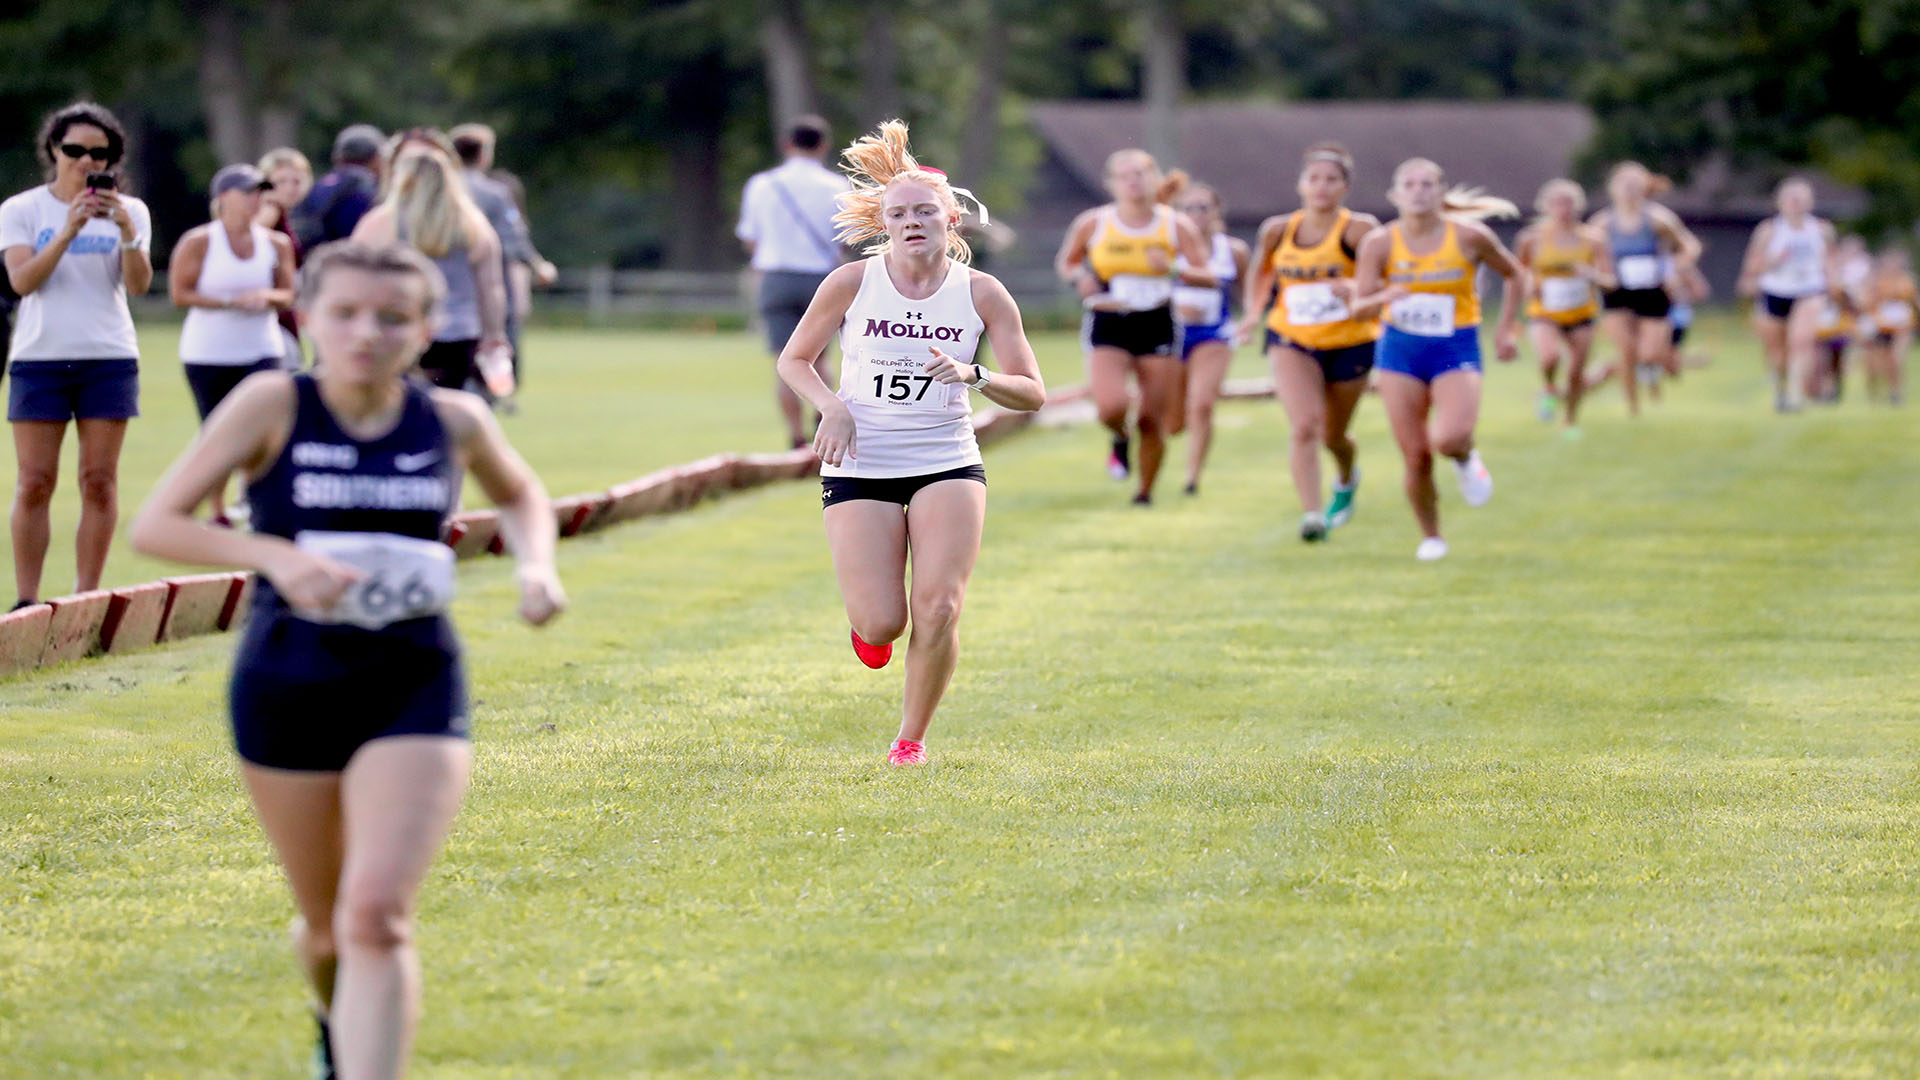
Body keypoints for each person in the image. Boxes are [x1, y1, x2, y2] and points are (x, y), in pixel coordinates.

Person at [129, 240, 566, 1080]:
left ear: (426, 328)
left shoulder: (451, 418)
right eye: (347, 314)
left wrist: (535, 566)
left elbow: (519, 493)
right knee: (327, 926)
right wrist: (277, 558)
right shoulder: (271, 404)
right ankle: (339, 1029)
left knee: (377, 916)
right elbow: (158, 525)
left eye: (393, 318)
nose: (368, 333)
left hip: (412, 678)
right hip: (288, 678)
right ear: (307, 319)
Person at [776, 120, 1045, 767]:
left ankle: (910, 739)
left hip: (946, 459)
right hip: (862, 460)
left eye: (926, 211)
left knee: (941, 604)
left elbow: (1033, 392)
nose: (913, 221)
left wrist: (975, 375)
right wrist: (832, 406)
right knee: (882, 623)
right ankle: (868, 630)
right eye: (900, 213)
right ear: (884, 223)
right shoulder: (851, 283)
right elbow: (794, 361)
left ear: (952, 219)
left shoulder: (981, 294)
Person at [0, 101, 153, 609]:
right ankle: (27, 599)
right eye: (75, 150)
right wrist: (68, 229)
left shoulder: (131, 212)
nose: (86, 161)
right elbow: (22, 281)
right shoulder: (22, 210)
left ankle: (86, 597)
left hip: (107, 355)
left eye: (98, 153)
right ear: (53, 150)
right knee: (35, 480)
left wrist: (128, 233)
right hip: (40, 357)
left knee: (99, 481)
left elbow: (137, 285)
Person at [1350, 158, 1525, 562]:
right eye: (1409, 184)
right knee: (1415, 455)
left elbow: (1517, 275)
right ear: (1395, 195)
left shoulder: (1469, 237)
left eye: (1427, 184)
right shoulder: (1380, 243)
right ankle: (1432, 537)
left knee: (1447, 438)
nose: (1418, 191)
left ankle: (1465, 456)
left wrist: (1506, 330)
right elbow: (1359, 309)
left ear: (1441, 192)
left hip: (1454, 347)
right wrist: (1382, 298)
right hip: (1400, 352)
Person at [1054, 148, 1216, 505]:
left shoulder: (1175, 224)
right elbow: (1067, 263)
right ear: (1111, 183)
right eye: (1124, 176)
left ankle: (1144, 492)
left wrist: (1172, 269)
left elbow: (1209, 277)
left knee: (1150, 417)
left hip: (1156, 321)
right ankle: (1119, 436)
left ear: (1153, 178)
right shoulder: (1094, 222)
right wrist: (1080, 277)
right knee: (1110, 406)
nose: (1133, 182)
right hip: (1108, 319)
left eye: (1140, 174)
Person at [1240, 143, 1382, 539]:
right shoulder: (1278, 229)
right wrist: (1253, 313)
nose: (1321, 186)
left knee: (1333, 434)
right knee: (1304, 426)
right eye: (1314, 178)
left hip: (1351, 340)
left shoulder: (1361, 230)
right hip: (1292, 337)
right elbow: (1260, 272)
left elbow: (1386, 279)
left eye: (1331, 179)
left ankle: (1346, 476)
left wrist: (1354, 286)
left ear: (1345, 188)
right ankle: (1313, 515)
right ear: (1301, 185)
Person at [170, 163, 295, 525]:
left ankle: (262, 503)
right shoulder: (200, 241)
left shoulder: (275, 243)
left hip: (261, 347)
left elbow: (287, 293)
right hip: (209, 351)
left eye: (260, 193)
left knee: (269, 428)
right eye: (248, 193)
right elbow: (181, 293)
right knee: (217, 429)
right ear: (224, 198)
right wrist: (230, 302)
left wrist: (266, 296)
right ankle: (218, 509)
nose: (257, 200)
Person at [351, 130, 508, 394]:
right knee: (445, 408)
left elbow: (353, 275)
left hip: (398, 328)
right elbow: (491, 287)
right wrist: (494, 335)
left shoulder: (381, 223)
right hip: (459, 331)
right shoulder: (473, 225)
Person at [738, 115, 850, 449]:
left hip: (776, 276)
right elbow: (843, 239)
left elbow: (750, 238)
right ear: (824, 146)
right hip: (821, 278)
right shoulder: (837, 186)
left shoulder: (763, 184)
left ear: (787, 145)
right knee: (819, 358)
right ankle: (822, 416)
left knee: (785, 363)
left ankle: (796, 436)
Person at [450, 124, 556, 392]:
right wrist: (537, 265)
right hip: (486, 279)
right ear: (484, 155)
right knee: (493, 342)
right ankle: (488, 395)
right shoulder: (495, 194)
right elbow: (513, 238)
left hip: (445, 284)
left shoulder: (436, 191)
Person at [1589, 162, 1700, 418]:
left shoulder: (1658, 219)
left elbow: (1689, 246)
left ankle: (1647, 370)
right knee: (1626, 351)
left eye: (1634, 186)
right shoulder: (1603, 223)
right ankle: (1632, 406)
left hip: (1654, 291)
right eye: (1623, 185)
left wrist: (1677, 271)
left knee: (1648, 353)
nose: (1629, 191)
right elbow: (1588, 253)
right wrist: (1598, 273)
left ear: (1644, 189)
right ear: (1612, 189)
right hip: (1617, 291)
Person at [1168, 183, 1247, 497]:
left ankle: (1192, 477)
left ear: (1216, 211)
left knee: (1201, 405)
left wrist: (1250, 320)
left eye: (1203, 207)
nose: (1196, 215)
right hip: (1169, 336)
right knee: (1173, 421)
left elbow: (1251, 289)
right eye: (1189, 208)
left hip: (1214, 335)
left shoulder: (1233, 250)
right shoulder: (1165, 247)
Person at [1515, 179, 1611, 436]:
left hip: (1582, 314)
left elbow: (1610, 280)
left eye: (1568, 203)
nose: (1563, 209)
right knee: (1550, 357)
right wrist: (1529, 285)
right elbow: (1519, 273)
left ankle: (1570, 421)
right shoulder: (1532, 239)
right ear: (1545, 206)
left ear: (1578, 206)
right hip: (1545, 312)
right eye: (1557, 203)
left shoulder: (1593, 239)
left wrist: (1591, 275)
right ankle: (1548, 388)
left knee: (1576, 373)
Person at [1737, 178, 1837, 413]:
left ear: (1810, 202)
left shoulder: (1822, 230)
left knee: (1801, 340)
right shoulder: (1769, 230)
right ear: (1780, 202)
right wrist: (1772, 262)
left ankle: (1795, 394)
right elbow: (1752, 265)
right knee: (1777, 350)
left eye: (1800, 198)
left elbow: (1831, 261)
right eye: (1791, 198)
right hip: (1776, 290)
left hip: (1810, 290)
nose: (1796, 203)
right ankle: (1781, 389)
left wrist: (1834, 282)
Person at [257, 146, 314, 368]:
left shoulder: (283, 212)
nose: (290, 188)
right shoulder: (270, 210)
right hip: (273, 311)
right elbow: (247, 239)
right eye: (281, 181)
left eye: (296, 182)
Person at [293, 125, 384, 252]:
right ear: (375, 158)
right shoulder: (365, 187)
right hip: (343, 262)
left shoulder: (323, 183)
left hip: (312, 260)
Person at [1862, 250, 1915, 405]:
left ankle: (1897, 392)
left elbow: (1913, 302)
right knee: (1885, 363)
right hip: (1882, 327)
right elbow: (1868, 305)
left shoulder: (1907, 281)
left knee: (1897, 358)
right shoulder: (1877, 282)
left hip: (1902, 327)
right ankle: (1886, 390)